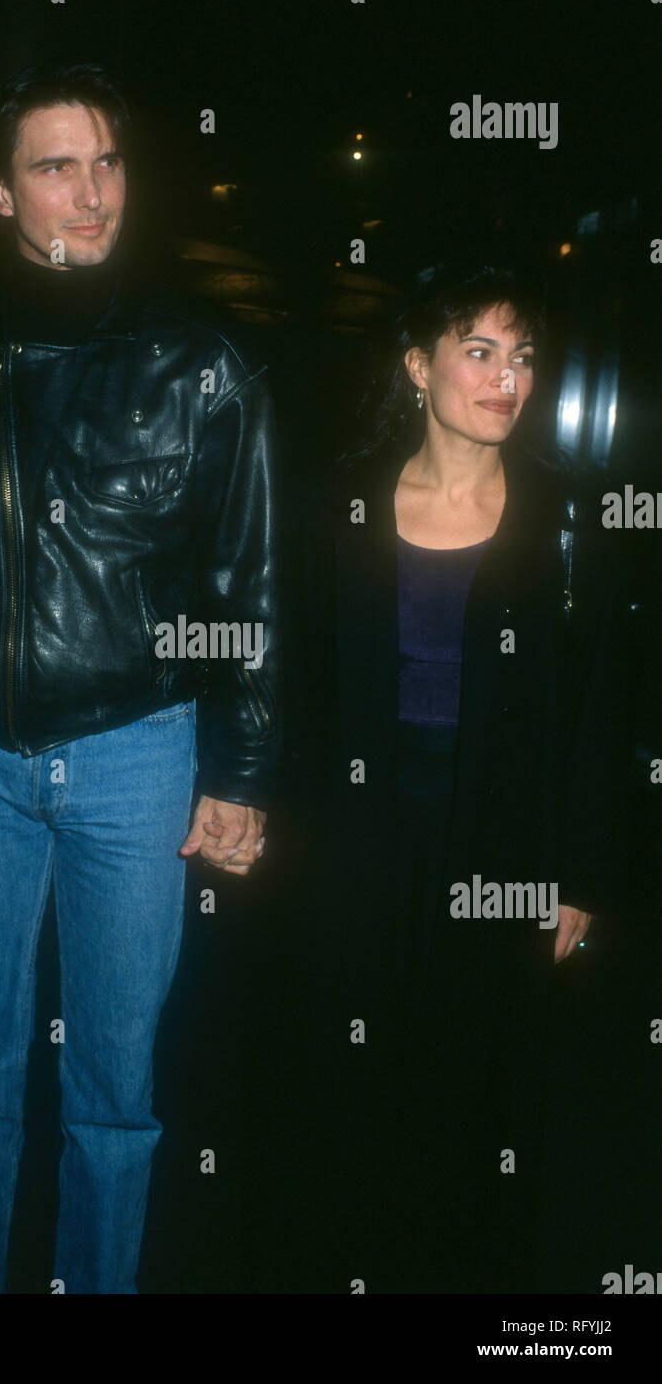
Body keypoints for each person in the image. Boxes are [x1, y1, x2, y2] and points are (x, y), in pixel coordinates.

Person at [0, 61, 282, 1294]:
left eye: (108, 163)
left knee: (115, 1090)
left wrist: (243, 765)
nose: (92, 195)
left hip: (141, 754)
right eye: (54, 166)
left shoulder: (205, 364)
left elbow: (251, 585)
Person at [296, 264, 630, 1292]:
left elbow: (604, 717)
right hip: (360, 841)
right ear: (416, 366)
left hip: (501, 846)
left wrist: (579, 872)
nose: (507, 377)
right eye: (478, 351)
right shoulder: (342, 504)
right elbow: (299, 680)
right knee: (355, 1081)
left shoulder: (570, 519)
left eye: (521, 355)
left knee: (480, 1093)